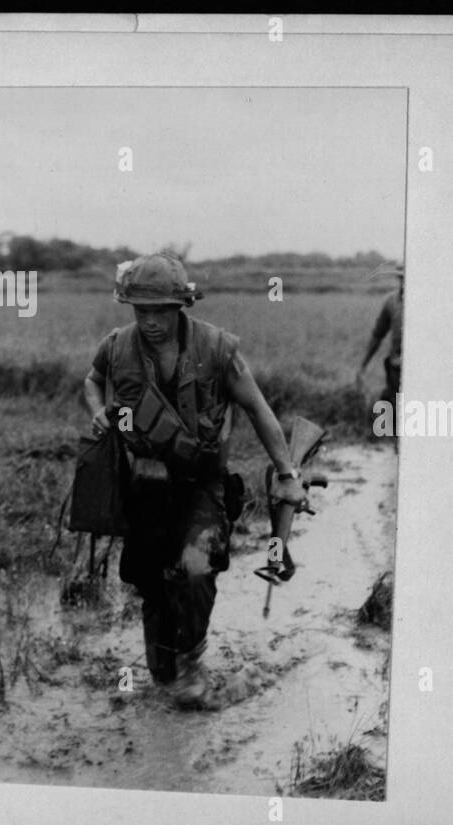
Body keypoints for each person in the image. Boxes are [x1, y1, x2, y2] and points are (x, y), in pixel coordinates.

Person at [83, 253, 305, 709]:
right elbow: (92, 381)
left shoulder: (217, 349)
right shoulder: (116, 346)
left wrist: (287, 474)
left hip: (202, 484)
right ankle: (174, 666)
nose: (149, 322)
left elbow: (259, 410)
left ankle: (193, 661)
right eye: (140, 311)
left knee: (196, 568)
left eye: (159, 311)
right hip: (145, 488)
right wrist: (98, 411)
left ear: (180, 306)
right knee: (152, 586)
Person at [355, 263, 404, 406]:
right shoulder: (391, 302)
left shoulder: (426, 304)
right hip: (395, 367)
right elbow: (378, 335)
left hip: (419, 370)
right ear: (398, 279)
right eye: (402, 279)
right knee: (388, 406)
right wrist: (363, 364)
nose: (405, 283)